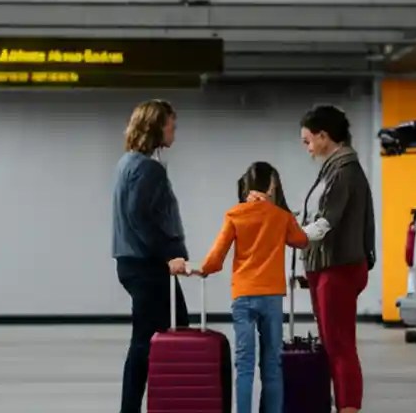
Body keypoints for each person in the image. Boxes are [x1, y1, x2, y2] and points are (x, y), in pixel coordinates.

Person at [196, 162, 309, 413]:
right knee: (272, 364)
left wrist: (199, 269)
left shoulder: (235, 214)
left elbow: (215, 259)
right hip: (271, 298)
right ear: (270, 185)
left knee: (244, 365)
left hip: (243, 296)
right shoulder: (281, 216)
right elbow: (301, 240)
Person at [111, 99, 190, 413]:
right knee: (161, 335)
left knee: (149, 337)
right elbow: (140, 216)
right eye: (171, 124)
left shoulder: (127, 162)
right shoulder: (148, 168)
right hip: (147, 266)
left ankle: (153, 403)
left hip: (131, 263)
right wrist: (169, 255)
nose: (174, 131)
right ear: (157, 126)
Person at [298, 105, 376, 413]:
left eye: (308, 141)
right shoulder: (333, 167)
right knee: (333, 345)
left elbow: (324, 223)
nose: (307, 148)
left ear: (323, 135)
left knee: (340, 346)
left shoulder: (344, 170)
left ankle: (348, 408)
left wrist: (288, 235)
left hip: (339, 268)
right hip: (327, 266)